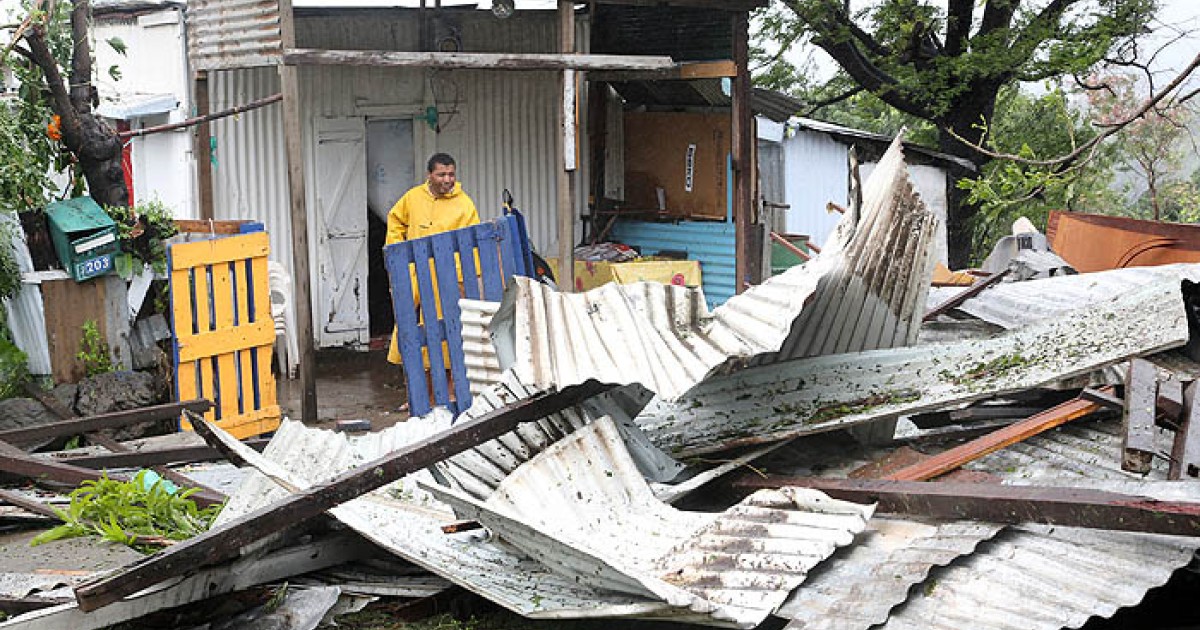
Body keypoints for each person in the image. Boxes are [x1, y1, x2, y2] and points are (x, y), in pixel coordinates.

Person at [385, 153, 480, 405]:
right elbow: (395, 221)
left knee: (449, 336)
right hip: (415, 276)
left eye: (451, 174)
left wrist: (465, 280)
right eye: (441, 174)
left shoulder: (465, 204)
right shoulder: (413, 198)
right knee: (410, 333)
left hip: (447, 279)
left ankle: (447, 393)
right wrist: (398, 256)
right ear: (430, 175)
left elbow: (472, 245)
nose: (447, 180)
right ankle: (417, 395)